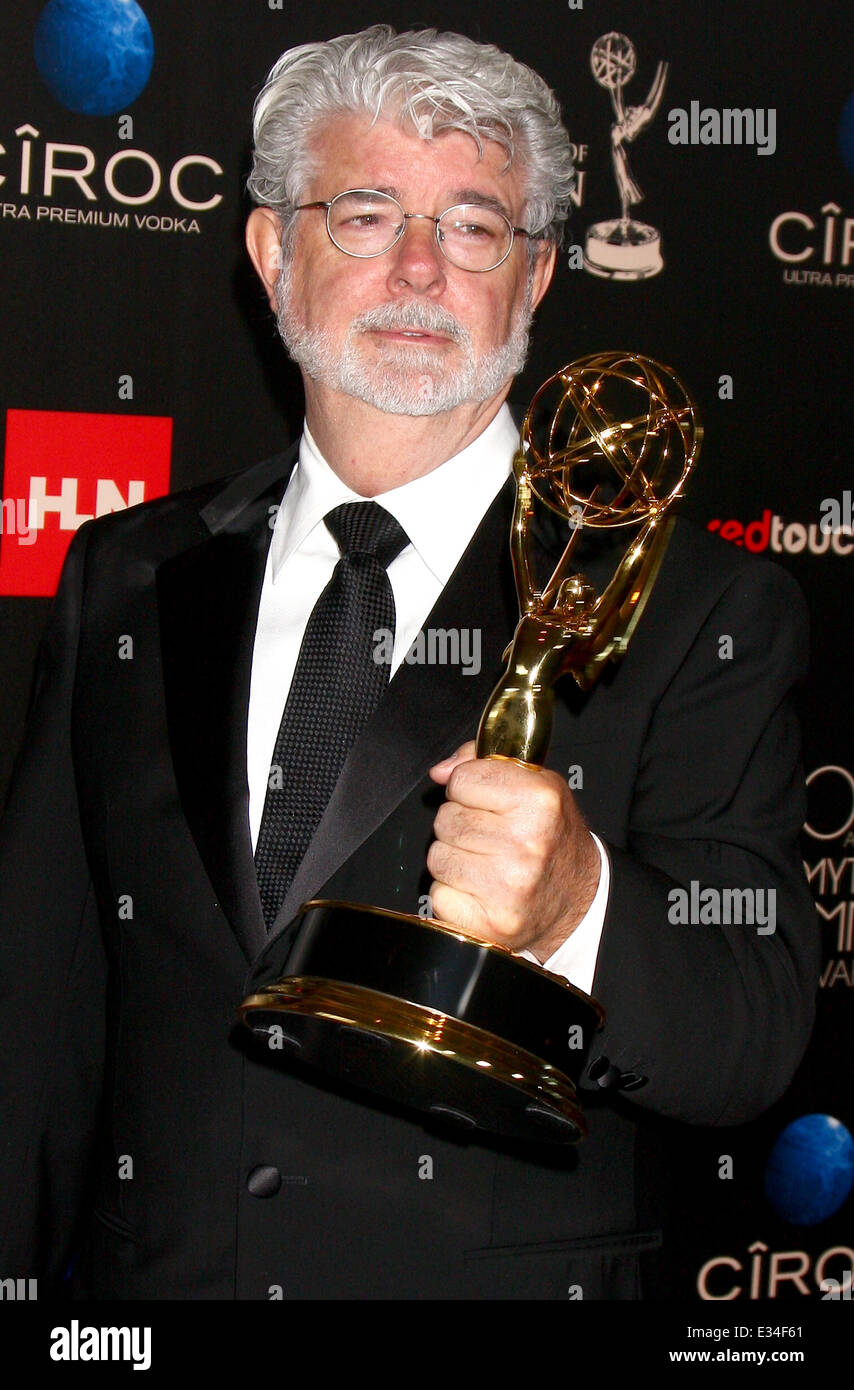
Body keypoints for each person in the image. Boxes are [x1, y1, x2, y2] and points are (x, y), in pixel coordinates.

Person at [0, 25, 817, 1300]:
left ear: (537, 273)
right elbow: (36, 1016)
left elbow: (753, 1031)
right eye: (366, 213)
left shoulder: (695, 603)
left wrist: (576, 909)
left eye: (476, 225)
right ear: (275, 253)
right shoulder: (127, 572)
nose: (421, 269)